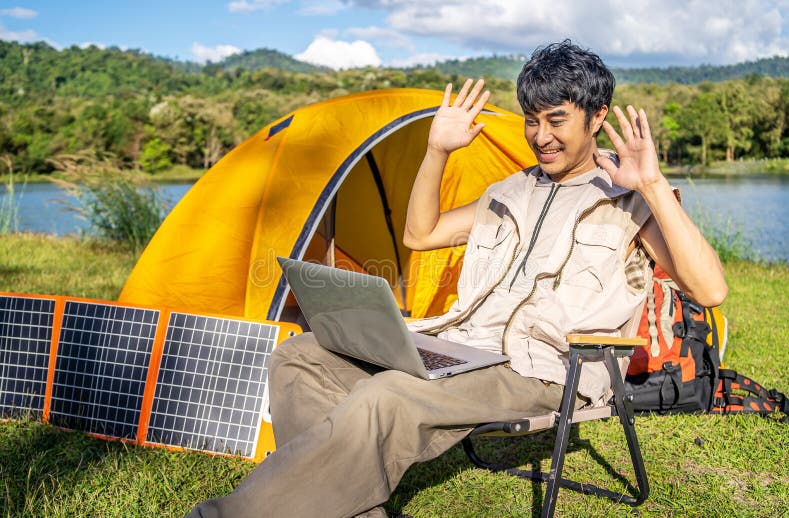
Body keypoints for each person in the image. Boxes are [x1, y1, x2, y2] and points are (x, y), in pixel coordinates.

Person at [186, 40, 727, 518]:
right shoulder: (509, 191)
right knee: (298, 355)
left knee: (389, 394)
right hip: (461, 349)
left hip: (539, 371)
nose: (541, 136)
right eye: (531, 120)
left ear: (595, 115)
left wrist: (653, 186)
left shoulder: (630, 200)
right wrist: (436, 150)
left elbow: (710, 291)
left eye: (556, 120)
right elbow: (421, 235)